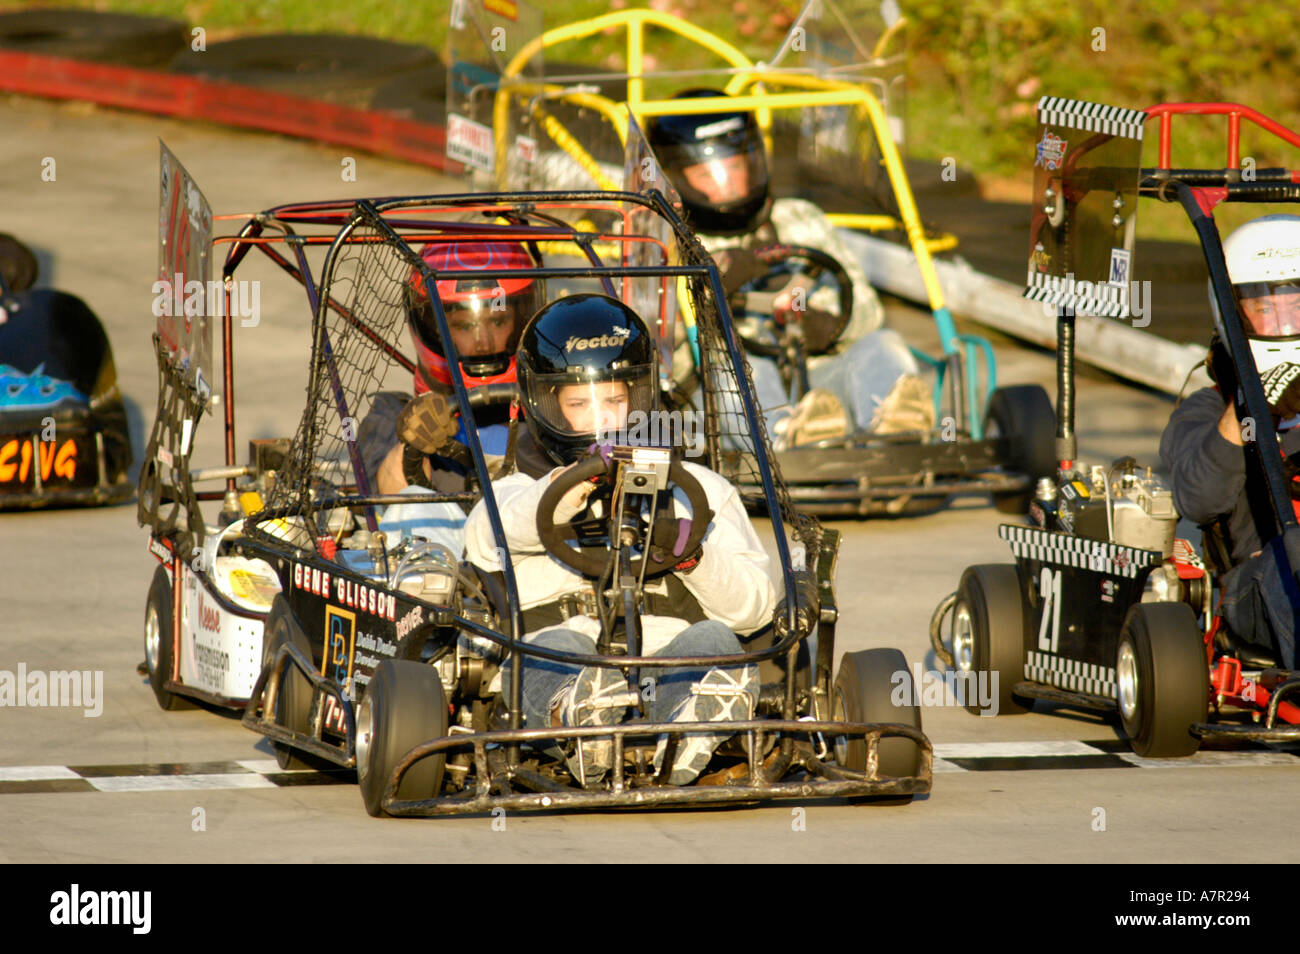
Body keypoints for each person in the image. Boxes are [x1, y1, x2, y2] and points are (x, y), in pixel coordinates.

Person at [463, 293, 776, 786]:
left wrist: (692, 554)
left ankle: (687, 729)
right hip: (565, 651)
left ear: (641, 397)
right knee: (552, 651)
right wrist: (579, 482)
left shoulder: (700, 491)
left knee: (717, 640)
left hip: (667, 654)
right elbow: (495, 536)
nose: (604, 419)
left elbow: (755, 610)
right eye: (579, 404)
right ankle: (580, 719)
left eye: (614, 400)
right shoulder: (513, 493)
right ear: (544, 404)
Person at [646, 89, 934, 447]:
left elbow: (867, 311)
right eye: (706, 174)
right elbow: (656, 358)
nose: (730, 183)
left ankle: (895, 436)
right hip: (718, 405)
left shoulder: (799, 218)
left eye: (736, 166)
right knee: (736, 360)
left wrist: (829, 326)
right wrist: (711, 291)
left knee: (882, 343)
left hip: (820, 388)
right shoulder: (662, 241)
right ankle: (786, 440)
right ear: (676, 178)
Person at [1159, 214, 1300, 670]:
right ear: (1233, 313)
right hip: (1261, 580)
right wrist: (1253, 408)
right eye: (1265, 306)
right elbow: (1198, 499)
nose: (1283, 318)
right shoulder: (1204, 410)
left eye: (1296, 302)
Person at [356, 240, 554, 548]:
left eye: (499, 321)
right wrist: (415, 439)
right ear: (432, 330)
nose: (484, 343)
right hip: (450, 574)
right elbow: (390, 495)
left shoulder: (555, 410)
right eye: (463, 326)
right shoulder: (390, 413)